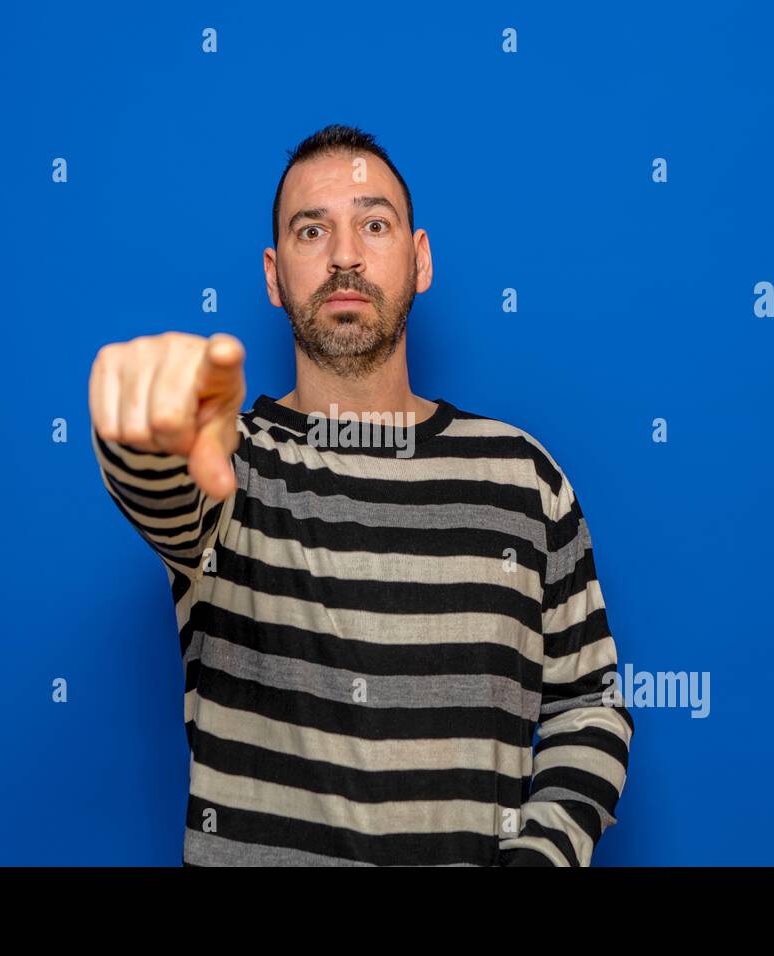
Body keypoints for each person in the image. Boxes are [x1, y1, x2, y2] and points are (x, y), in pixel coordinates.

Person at [87, 124, 632, 866]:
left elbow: (588, 706)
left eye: (374, 224)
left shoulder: (523, 478)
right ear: (274, 276)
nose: (345, 255)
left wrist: (539, 858)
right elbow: (161, 490)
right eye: (313, 231)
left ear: (420, 258)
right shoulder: (233, 465)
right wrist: (144, 433)